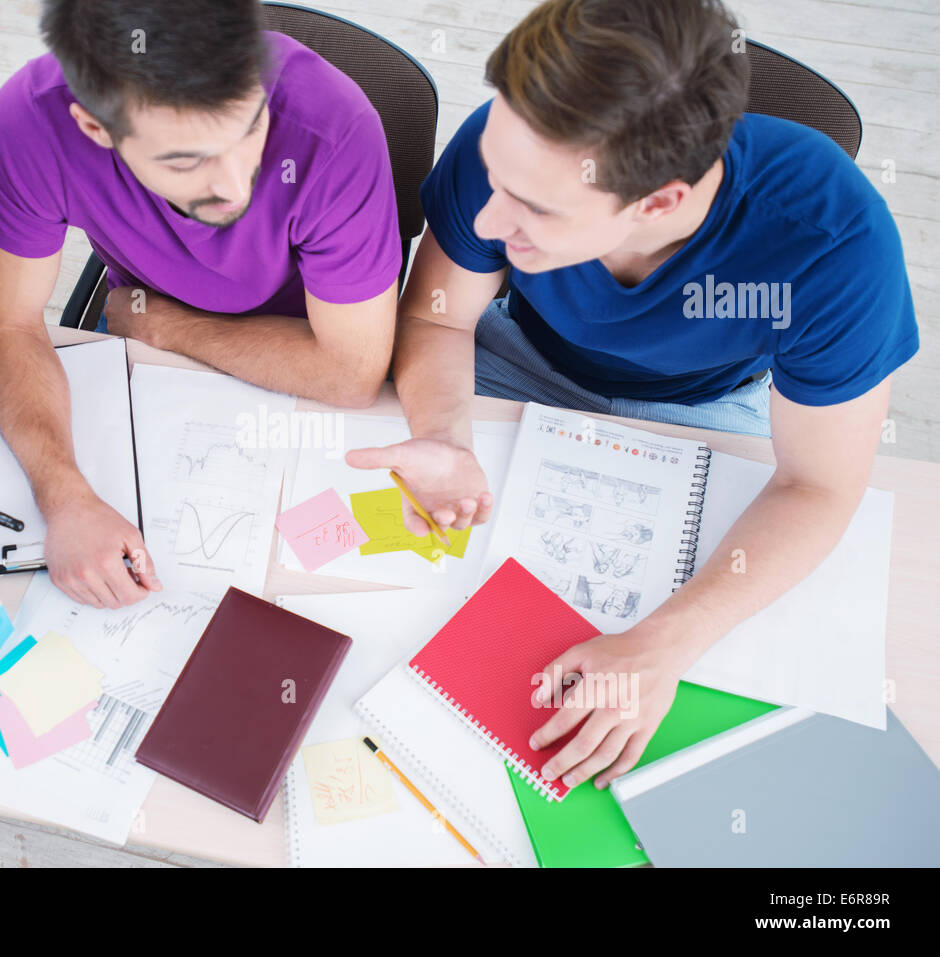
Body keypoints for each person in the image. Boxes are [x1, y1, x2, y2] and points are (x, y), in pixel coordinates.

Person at [347, 0, 918, 789]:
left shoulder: (834, 242)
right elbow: (438, 321)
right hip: (517, 356)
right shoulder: (517, 144)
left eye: (535, 208)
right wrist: (445, 433)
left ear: (660, 204)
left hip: (706, 408)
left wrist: (666, 644)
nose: (485, 214)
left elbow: (817, 483)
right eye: (497, 176)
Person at [0, 0, 401, 609]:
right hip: (145, 347)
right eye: (185, 160)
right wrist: (65, 499)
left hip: (294, 357)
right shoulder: (29, 122)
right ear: (95, 127)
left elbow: (352, 375)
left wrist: (169, 326)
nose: (233, 185)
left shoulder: (335, 127)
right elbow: (5, 321)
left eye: (250, 128)